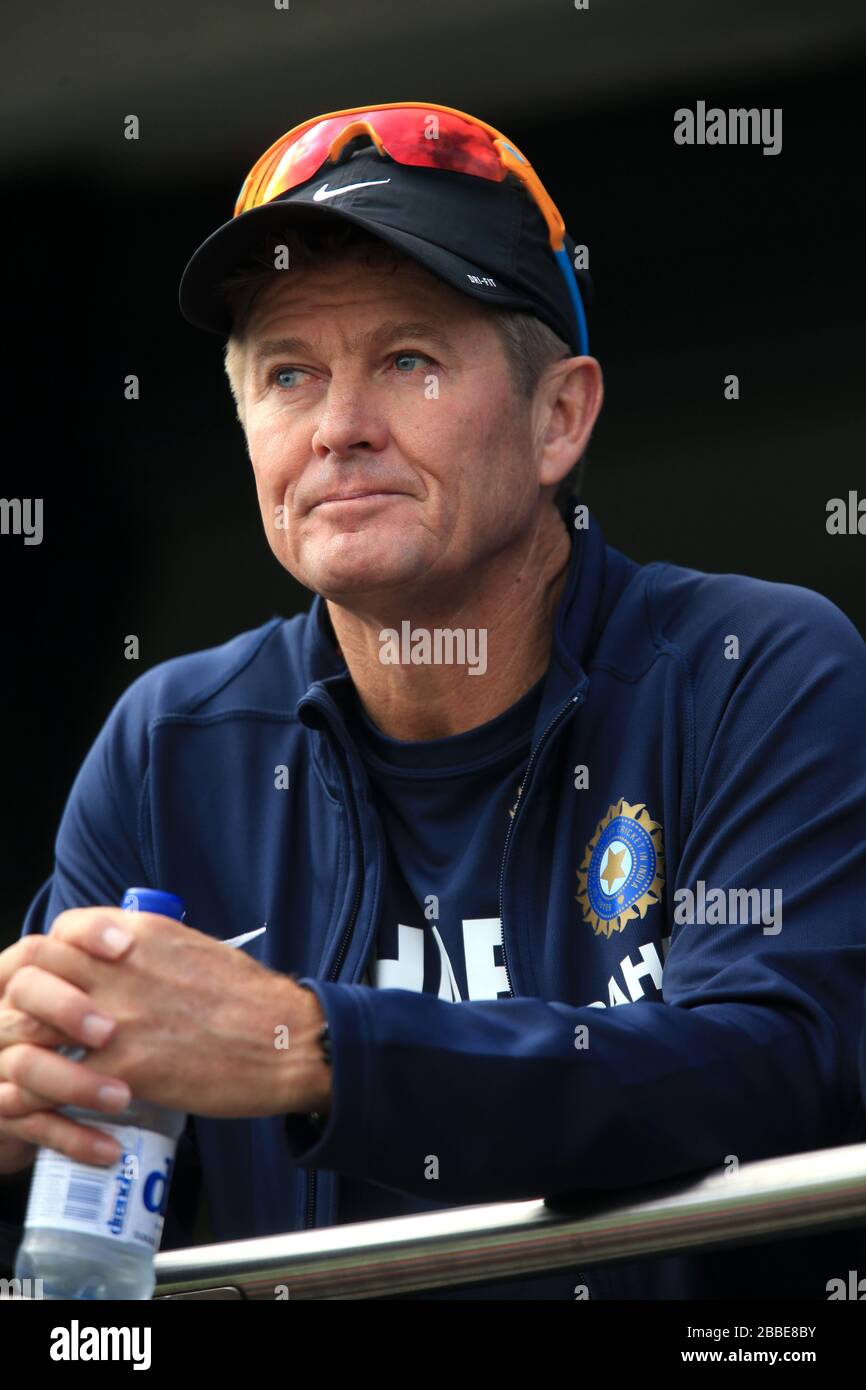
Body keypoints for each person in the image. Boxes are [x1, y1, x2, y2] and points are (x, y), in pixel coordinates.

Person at [1, 103, 865, 1300]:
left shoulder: (753, 668)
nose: (339, 430)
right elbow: (84, 1252)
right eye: (288, 375)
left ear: (559, 415)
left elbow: (780, 1068)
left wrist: (305, 1044)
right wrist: (26, 1118)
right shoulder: (168, 746)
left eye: (408, 360)